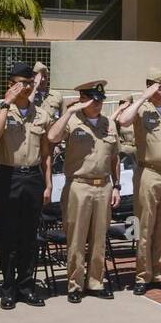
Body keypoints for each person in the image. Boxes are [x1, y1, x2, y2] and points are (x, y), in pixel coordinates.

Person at [47, 80, 121, 303]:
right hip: (79, 185)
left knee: (99, 238)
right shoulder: (73, 122)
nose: (97, 104)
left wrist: (116, 185)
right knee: (77, 238)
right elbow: (52, 137)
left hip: (104, 185)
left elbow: (114, 156)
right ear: (82, 100)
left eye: (100, 100)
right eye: (92, 100)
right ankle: (75, 284)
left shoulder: (109, 123)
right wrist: (70, 112)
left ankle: (95, 282)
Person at [0, 63, 52, 310]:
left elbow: (46, 153)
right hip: (8, 176)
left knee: (29, 236)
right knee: (8, 236)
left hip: (33, 177)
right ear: (10, 84)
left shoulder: (42, 114)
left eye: (28, 82)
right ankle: (8, 289)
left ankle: (26, 287)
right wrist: (6, 103)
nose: (24, 87)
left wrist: (48, 184)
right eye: (19, 83)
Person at [115, 70, 161, 295]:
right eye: (158, 87)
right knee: (144, 226)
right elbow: (122, 120)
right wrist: (144, 97)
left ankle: (159, 273)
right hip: (148, 173)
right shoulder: (141, 109)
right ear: (149, 87)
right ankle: (143, 275)